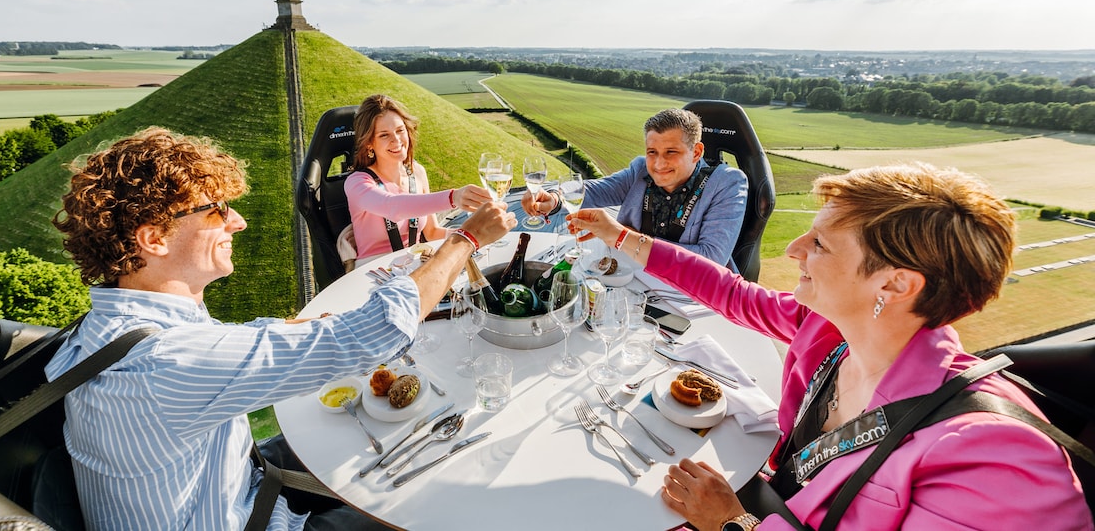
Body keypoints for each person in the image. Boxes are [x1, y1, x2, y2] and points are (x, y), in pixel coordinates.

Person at [568, 162, 1092, 531]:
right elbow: (730, 292)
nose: (793, 249)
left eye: (818, 243)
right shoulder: (826, 329)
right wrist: (620, 236)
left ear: (893, 285)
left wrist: (734, 524)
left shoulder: (994, 461)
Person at [46, 127, 515, 531]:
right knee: (437, 500)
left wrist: (297, 326)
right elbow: (375, 335)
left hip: (229, 480)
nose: (239, 221)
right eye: (215, 210)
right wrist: (465, 240)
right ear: (154, 238)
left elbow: (225, 346)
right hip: (247, 516)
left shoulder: (116, 325)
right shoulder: (166, 361)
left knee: (404, 433)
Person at [522, 107, 748, 270]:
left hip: (690, 298)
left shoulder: (728, 183)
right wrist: (555, 198)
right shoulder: (641, 169)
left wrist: (623, 235)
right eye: (652, 152)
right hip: (631, 276)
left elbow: (710, 260)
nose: (658, 164)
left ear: (696, 152)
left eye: (671, 152)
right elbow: (594, 190)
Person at [345, 94, 491, 262]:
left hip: (415, 266)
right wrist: (453, 197)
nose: (397, 140)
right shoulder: (357, 183)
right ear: (369, 143)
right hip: (372, 272)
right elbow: (393, 207)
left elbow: (432, 233)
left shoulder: (418, 172)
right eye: (384, 135)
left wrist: (476, 235)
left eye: (400, 130)